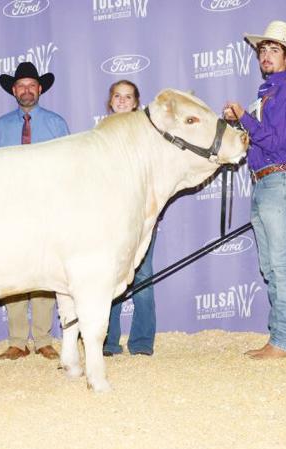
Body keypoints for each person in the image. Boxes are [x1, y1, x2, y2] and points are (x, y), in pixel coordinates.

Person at [223, 20, 286, 360]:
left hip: (281, 179)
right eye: (263, 50)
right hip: (264, 180)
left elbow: (278, 140)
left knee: (281, 264)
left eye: (274, 50)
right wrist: (238, 124)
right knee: (271, 266)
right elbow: (263, 138)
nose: (266, 55)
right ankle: (279, 337)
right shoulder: (267, 94)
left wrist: (245, 118)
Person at [0, 61, 70, 360]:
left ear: (40, 89)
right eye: (20, 85)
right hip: (11, 207)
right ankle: (17, 341)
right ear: (14, 90)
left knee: (45, 272)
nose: (26, 90)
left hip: (47, 207)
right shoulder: (1, 126)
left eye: (31, 85)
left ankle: (44, 339)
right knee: (13, 270)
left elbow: (68, 167)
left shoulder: (56, 124)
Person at [101, 80, 157, 357]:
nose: (122, 101)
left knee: (143, 277)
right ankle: (109, 342)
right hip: (110, 216)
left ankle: (142, 342)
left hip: (141, 214)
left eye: (128, 97)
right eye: (117, 96)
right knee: (110, 277)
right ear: (110, 101)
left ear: (136, 102)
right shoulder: (100, 134)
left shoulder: (147, 134)